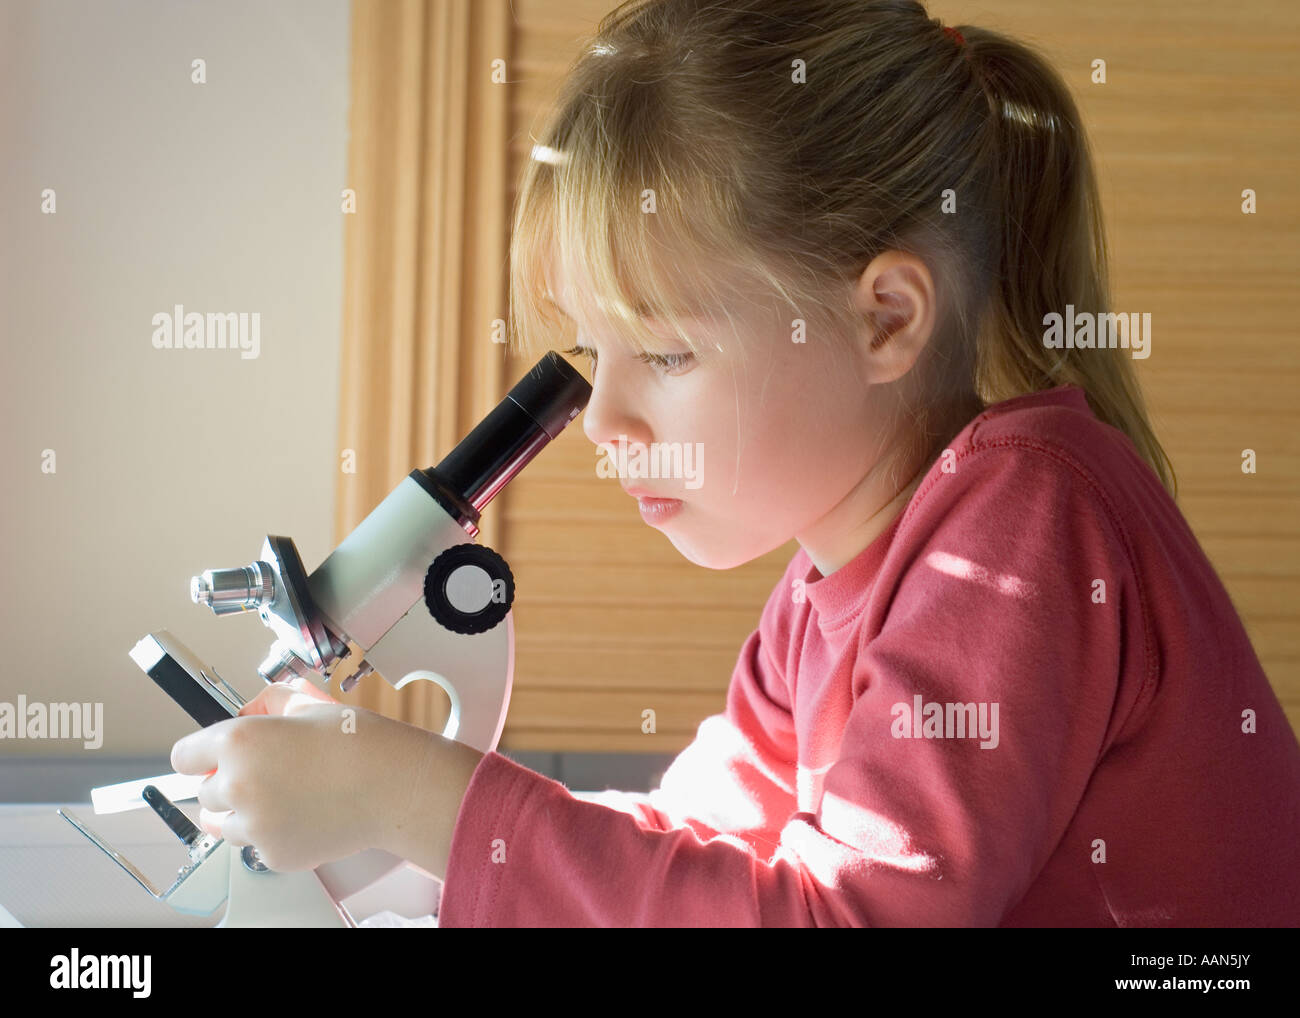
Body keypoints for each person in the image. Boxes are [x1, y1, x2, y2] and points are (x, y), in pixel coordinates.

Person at [171, 0, 1300, 926]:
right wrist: (388, 816)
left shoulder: (1022, 532)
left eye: (664, 350)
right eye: (591, 352)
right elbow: (701, 853)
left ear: (884, 320)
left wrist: (416, 795)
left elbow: (841, 922)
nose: (605, 417)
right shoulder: (816, 599)